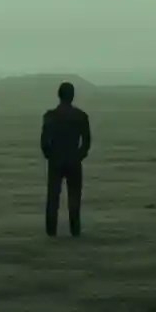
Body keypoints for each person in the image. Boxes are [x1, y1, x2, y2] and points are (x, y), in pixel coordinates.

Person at [40, 81, 92, 237]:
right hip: (73, 160)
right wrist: (79, 155)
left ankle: (51, 232)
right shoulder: (81, 116)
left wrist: (51, 155)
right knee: (74, 197)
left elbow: (44, 142)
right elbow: (87, 141)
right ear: (72, 96)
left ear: (59, 95)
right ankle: (75, 230)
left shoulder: (50, 116)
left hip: (56, 160)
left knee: (53, 198)